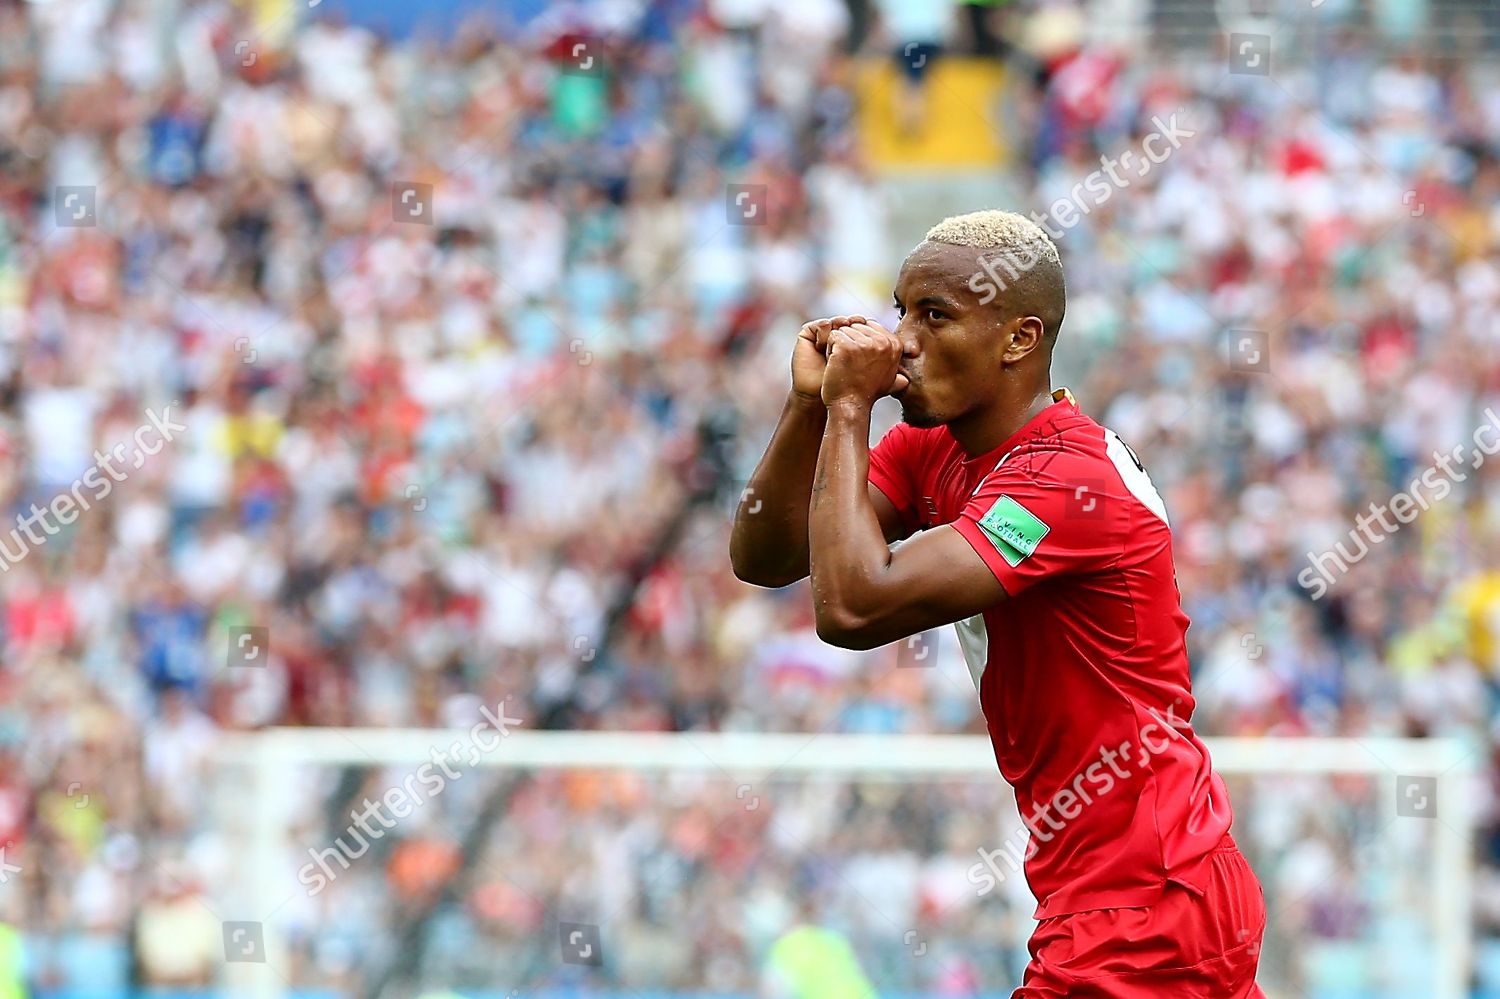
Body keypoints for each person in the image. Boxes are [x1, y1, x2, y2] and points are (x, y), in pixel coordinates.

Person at [730, 209, 1267, 997]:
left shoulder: (1065, 478)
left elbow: (850, 608)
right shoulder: (937, 446)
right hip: (1126, 890)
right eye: (901, 308)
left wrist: (850, 410)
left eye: (935, 315)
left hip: (1145, 897)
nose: (902, 339)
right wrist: (809, 407)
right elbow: (766, 555)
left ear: (1019, 339)